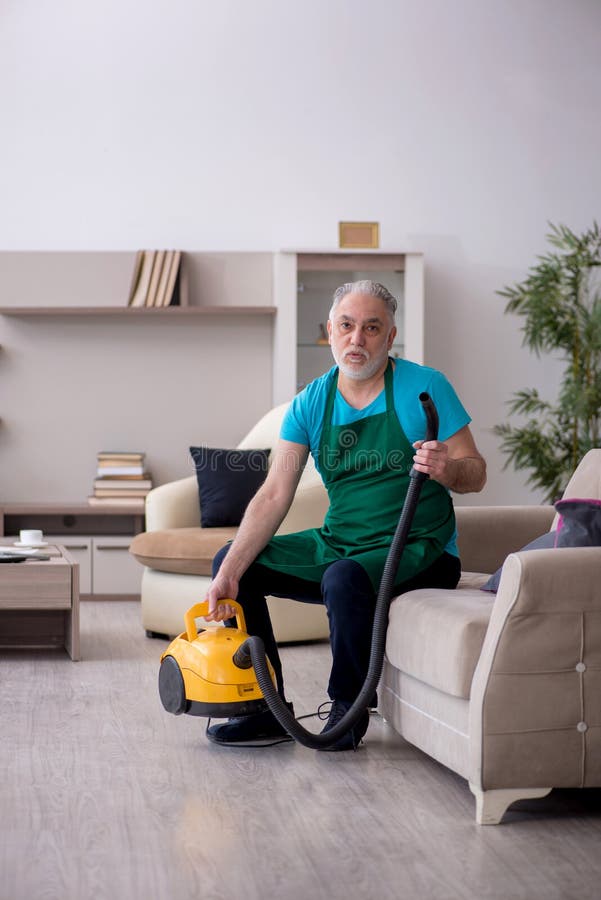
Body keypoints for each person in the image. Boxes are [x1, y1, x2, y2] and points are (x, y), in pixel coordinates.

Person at [205, 280, 486, 750]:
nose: (358, 339)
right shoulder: (311, 403)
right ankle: (264, 708)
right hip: (343, 543)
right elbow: (275, 492)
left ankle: (347, 711)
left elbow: (475, 473)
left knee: (342, 577)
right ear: (329, 332)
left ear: (389, 336)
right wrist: (229, 571)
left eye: (371, 328)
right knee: (233, 561)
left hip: (420, 550)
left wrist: (446, 468)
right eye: (347, 326)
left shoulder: (424, 388)